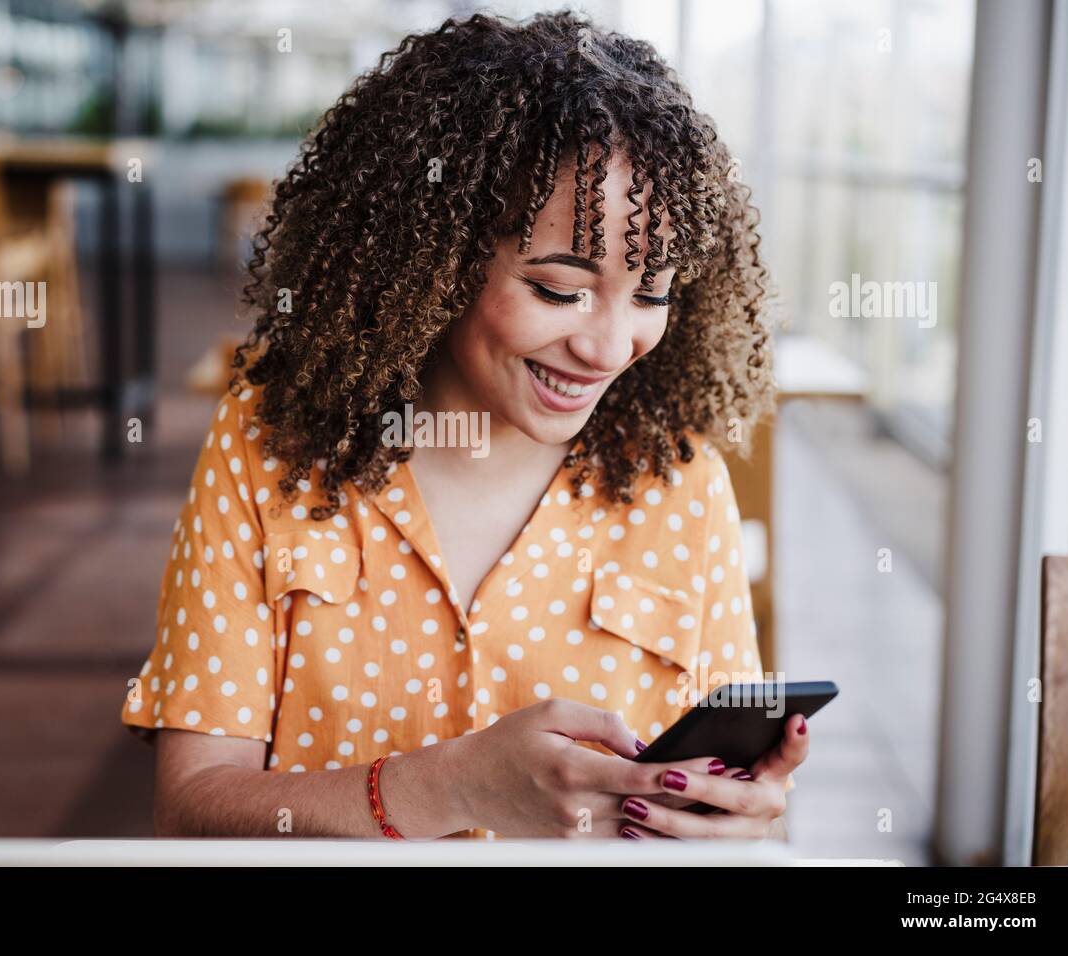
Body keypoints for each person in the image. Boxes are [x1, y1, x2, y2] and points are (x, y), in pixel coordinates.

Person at [122, 10, 807, 841]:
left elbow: (721, 804)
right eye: (559, 289)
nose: (607, 345)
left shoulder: (677, 478)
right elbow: (188, 813)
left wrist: (742, 820)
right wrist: (445, 789)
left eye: (653, 292)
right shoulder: (266, 450)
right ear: (433, 258)